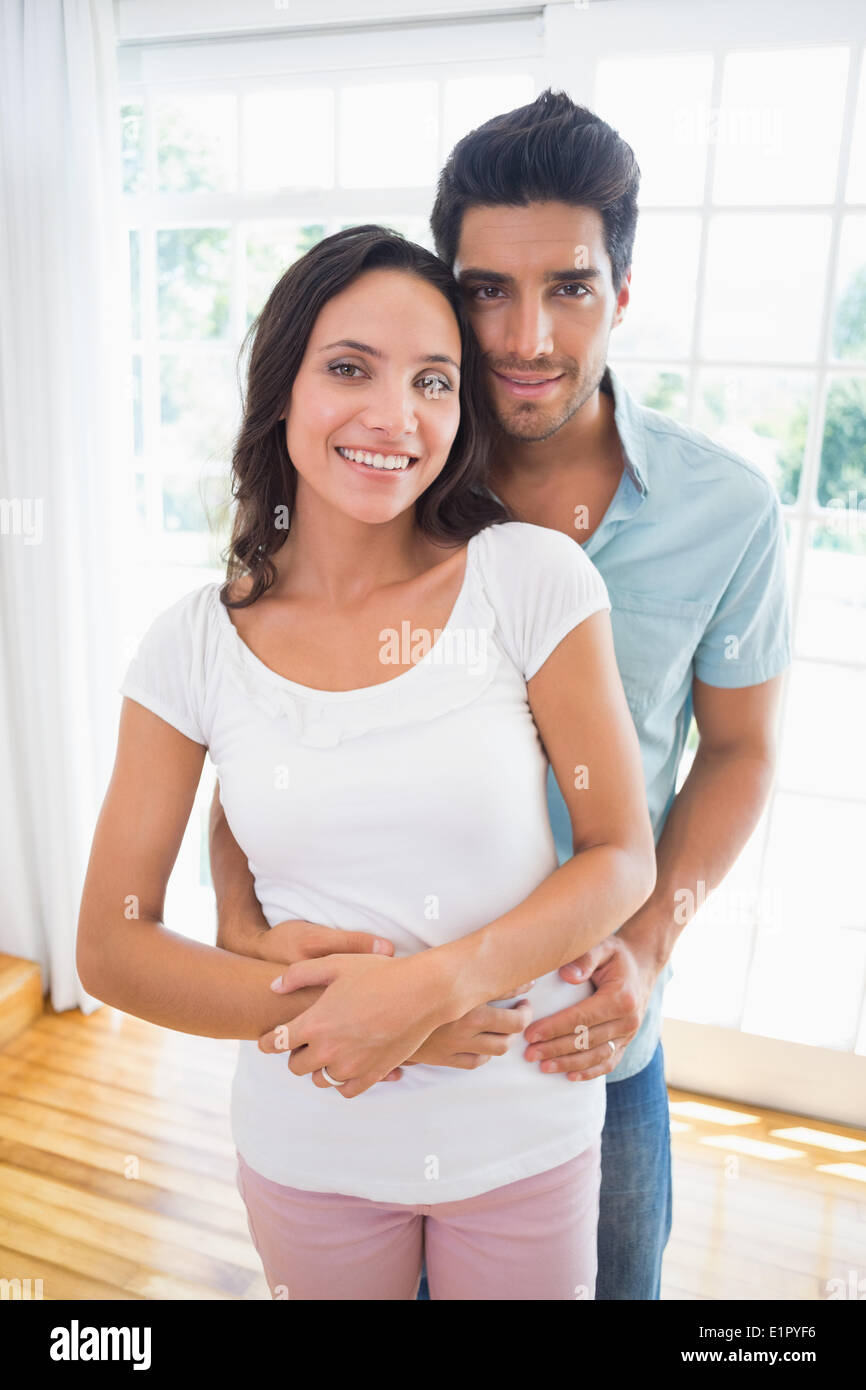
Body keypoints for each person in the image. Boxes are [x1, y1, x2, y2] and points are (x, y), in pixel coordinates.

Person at [211, 91, 792, 1301]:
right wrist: (243, 929)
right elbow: (257, 728)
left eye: (569, 287)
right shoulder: (365, 480)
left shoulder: (725, 511)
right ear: (447, 289)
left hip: (580, 1034)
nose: (525, 335)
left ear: (621, 294)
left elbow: (738, 748)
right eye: (486, 290)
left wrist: (644, 940)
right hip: (368, 1040)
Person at [76, 225, 657, 1300]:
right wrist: (333, 1015)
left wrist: (431, 991)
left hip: (520, 1128)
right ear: (282, 386)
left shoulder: (529, 580)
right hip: (311, 1147)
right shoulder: (192, 642)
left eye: (433, 381)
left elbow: (622, 856)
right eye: (349, 368)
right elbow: (112, 945)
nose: (394, 417)